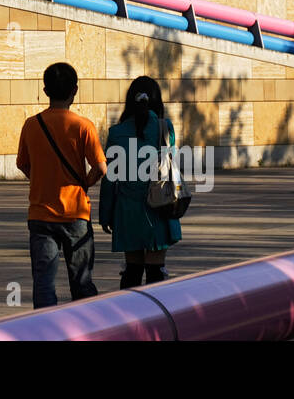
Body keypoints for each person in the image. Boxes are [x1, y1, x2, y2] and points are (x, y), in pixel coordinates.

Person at [16, 61, 106, 308]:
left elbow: (22, 164)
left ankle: (45, 331)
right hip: (75, 214)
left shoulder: (31, 125)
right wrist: (84, 183)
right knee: (82, 282)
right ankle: (88, 329)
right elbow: (100, 168)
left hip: (41, 214)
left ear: (45, 91)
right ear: (74, 90)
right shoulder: (82, 126)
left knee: (43, 284)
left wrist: (41, 179)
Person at [99, 76, 182, 288]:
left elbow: (110, 179)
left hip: (128, 211)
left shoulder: (116, 134)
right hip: (159, 207)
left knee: (132, 270)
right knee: (155, 271)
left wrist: (105, 215)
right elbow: (170, 165)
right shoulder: (165, 128)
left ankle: (129, 316)